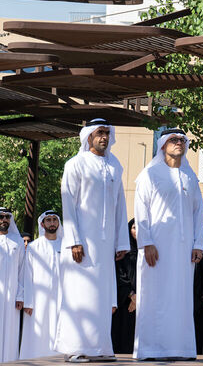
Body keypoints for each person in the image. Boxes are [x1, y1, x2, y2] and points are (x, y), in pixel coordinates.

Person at [55, 119, 130, 362]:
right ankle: (75, 348)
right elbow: (69, 204)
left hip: (106, 243)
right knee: (81, 293)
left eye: (107, 133)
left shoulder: (115, 165)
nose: (104, 137)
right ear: (89, 137)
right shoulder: (75, 164)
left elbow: (120, 206)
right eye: (100, 133)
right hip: (82, 242)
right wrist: (74, 240)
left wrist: (122, 243)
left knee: (102, 295)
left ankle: (100, 348)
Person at [133, 127, 203, 360]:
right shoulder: (150, 174)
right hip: (157, 248)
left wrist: (198, 244)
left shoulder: (189, 176)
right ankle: (151, 350)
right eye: (173, 139)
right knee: (155, 296)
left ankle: (180, 349)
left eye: (182, 140)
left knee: (180, 298)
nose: (178, 143)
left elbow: (198, 214)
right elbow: (140, 210)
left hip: (184, 250)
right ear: (162, 145)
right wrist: (147, 242)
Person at [19, 210, 62, 359]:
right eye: (48, 220)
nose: (51, 223)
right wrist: (28, 302)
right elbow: (27, 275)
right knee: (38, 333)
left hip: (62, 299)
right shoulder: (33, 247)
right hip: (38, 299)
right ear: (42, 224)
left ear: (58, 223)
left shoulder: (67, 246)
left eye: (54, 220)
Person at [0, 207, 23, 362]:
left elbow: (22, 270)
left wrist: (20, 295)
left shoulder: (18, 241)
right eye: (1, 217)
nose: (4, 220)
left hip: (12, 296)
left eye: (7, 217)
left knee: (10, 333)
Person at [111, 220, 137, 354]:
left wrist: (140, 298)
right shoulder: (122, 252)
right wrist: (132, 295)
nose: (137, 231)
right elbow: (119, 274)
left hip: (144, 303)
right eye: (134, 227)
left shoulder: (149, 252)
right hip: (125, 301)